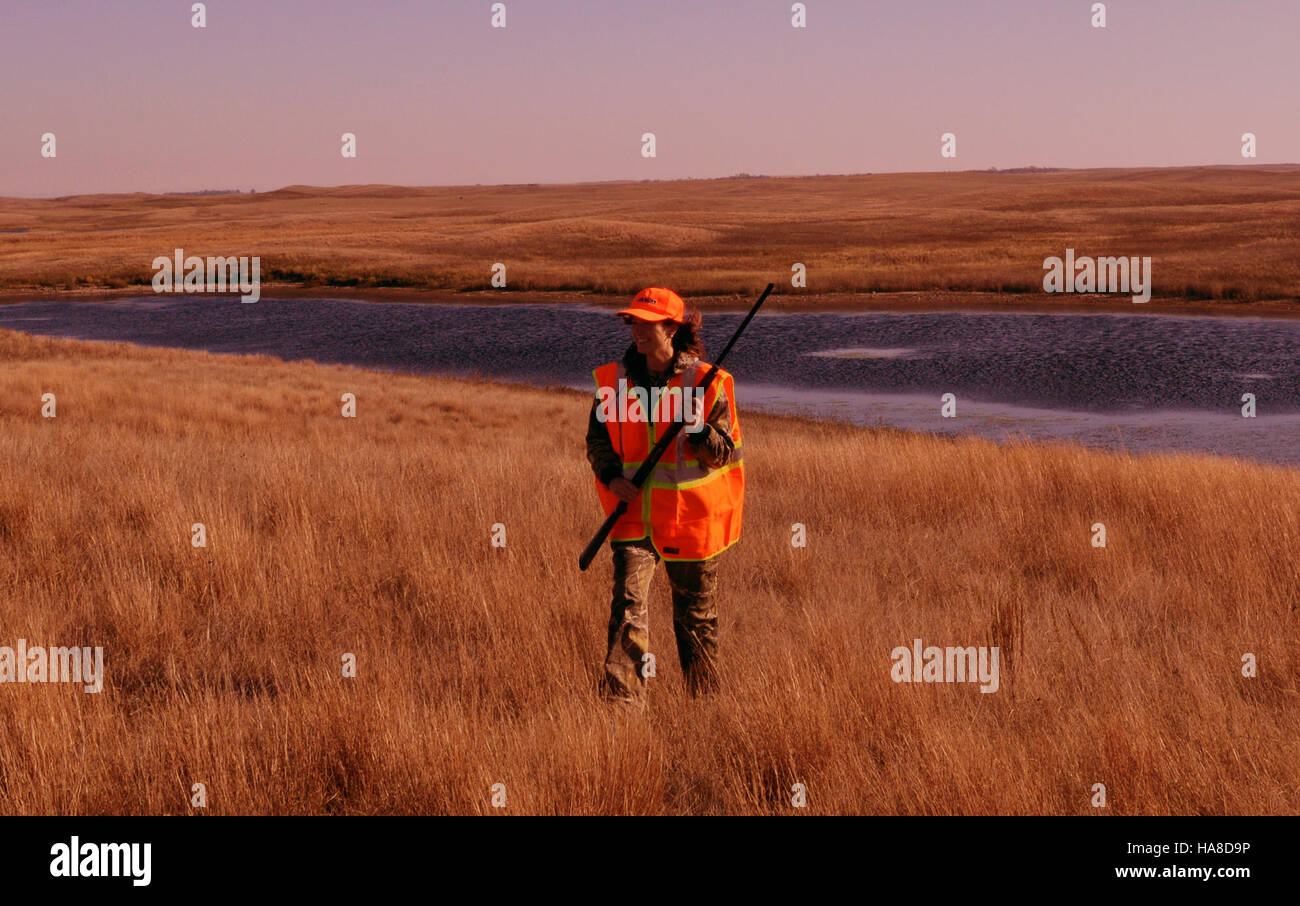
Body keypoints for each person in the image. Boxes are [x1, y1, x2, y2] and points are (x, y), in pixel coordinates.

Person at [585, 287, 745, 705]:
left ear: (672, 328)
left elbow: (724, 454)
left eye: (646, 322)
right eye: (632, 321)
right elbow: (598, 439)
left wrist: (698, 430)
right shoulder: (614, 381)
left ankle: (706, 711)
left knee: (696, 623)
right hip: (633, 517)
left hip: (690, 522)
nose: (636, 329)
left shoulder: (709, 384)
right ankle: (622, 712)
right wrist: (610, 474)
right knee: (626, 615)